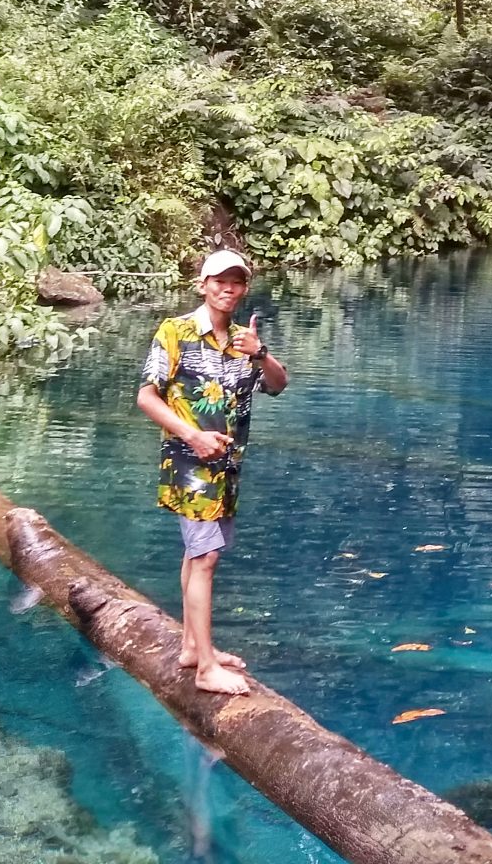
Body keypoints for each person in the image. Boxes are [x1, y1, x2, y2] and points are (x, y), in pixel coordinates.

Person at [135, 249, 289, 695]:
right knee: (205, 558)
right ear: (202, 285)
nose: (228, 289)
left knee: (195, 554)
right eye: (220, 281)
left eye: (236, 282)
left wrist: (261, 353)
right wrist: (193, 435)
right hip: (189, 463)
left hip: (228, 467)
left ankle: (191, 647)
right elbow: (147, 397)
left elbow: (278, 385)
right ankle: (205, 668)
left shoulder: (244, 339)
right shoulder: (175, 331)